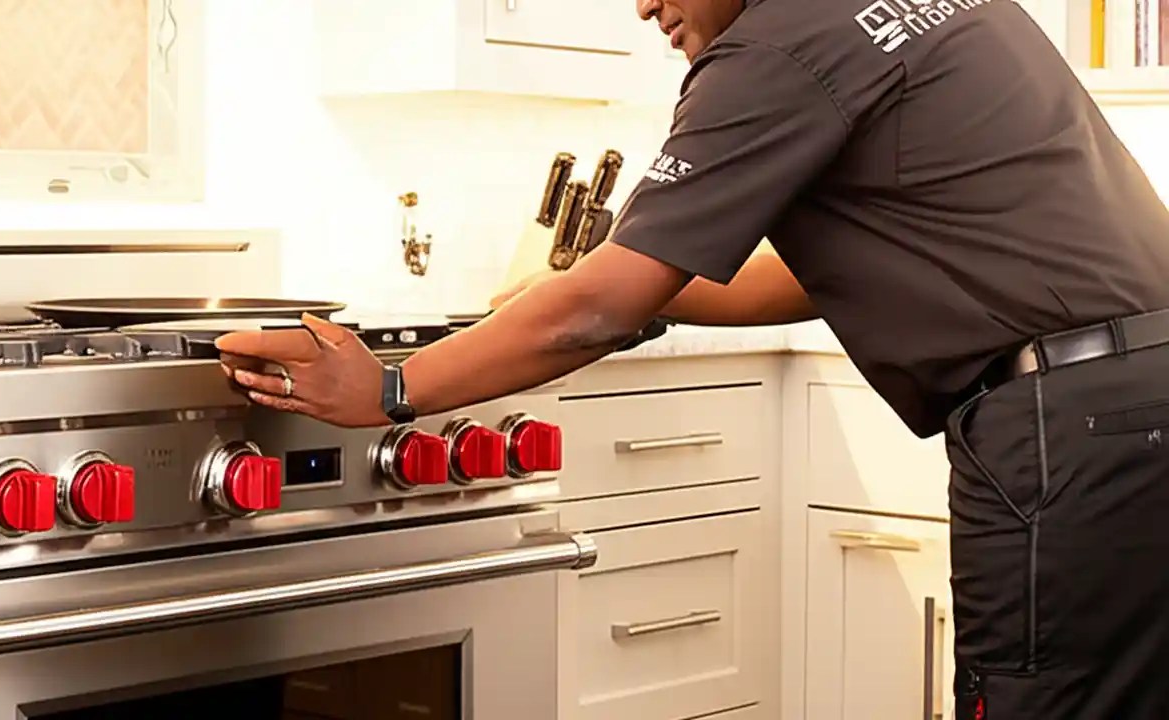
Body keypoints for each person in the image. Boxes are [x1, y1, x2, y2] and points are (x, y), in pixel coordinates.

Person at [216, 0, 1169, 716]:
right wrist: (625, 294)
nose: (642, 5)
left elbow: (590, 311)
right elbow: (814, 277)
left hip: (1066, 437)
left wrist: (391, 386)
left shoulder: (770, 53)